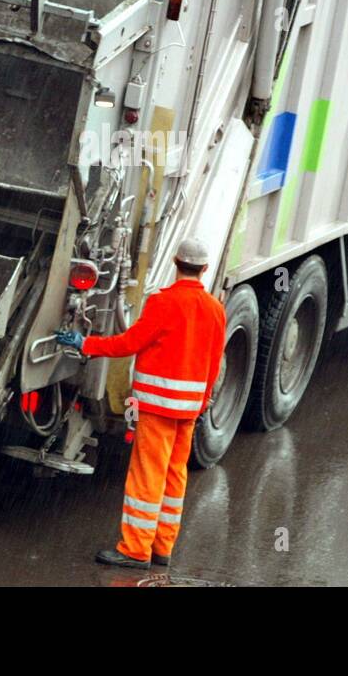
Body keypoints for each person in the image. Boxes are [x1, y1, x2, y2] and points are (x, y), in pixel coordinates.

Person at [55, 236, 226, 570]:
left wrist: (85, 343)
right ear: (204, 269)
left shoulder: (162, 303)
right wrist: (203, 400)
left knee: (147, 475)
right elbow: (214, 361)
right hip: (188, 410)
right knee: (175, 477)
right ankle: (163, 547)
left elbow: (130, 343)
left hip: (157, 408)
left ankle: (135, 550)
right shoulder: (216, 310)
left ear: (176, 264)